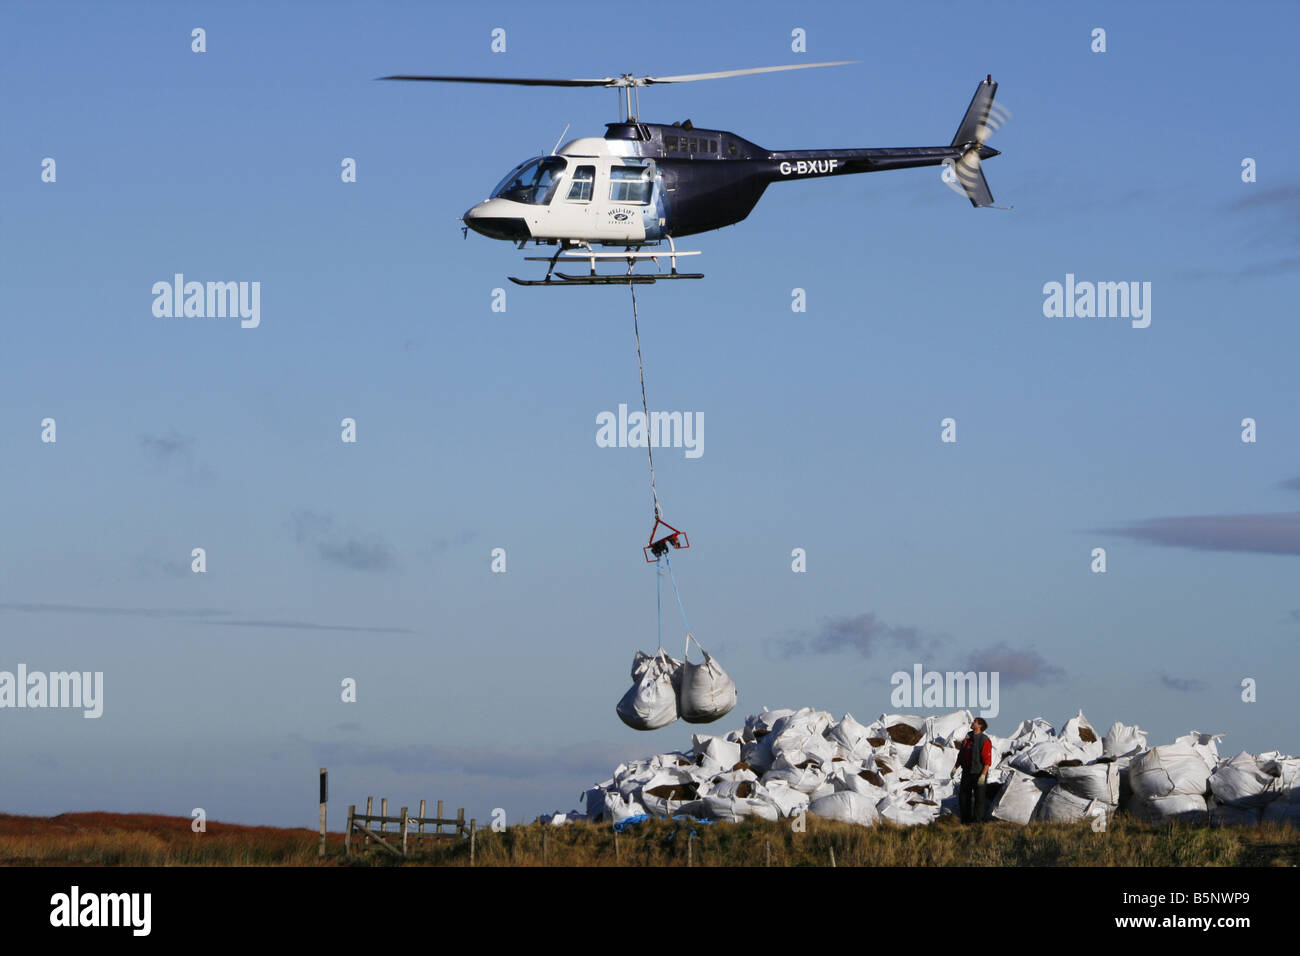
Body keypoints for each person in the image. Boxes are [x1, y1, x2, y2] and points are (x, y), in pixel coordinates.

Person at [954, 717, 992, 824]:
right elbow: (961, 754)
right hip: (967, 772)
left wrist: (983, 775)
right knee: (964, 797)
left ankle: (977, 822)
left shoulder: (984, 740)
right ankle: (965, 821)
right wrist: (955, 767)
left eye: (975, 721)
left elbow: (987, 761)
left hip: (979, 773)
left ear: (980, 726)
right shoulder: (967, 738)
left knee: (979, 799)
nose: (972, 722)